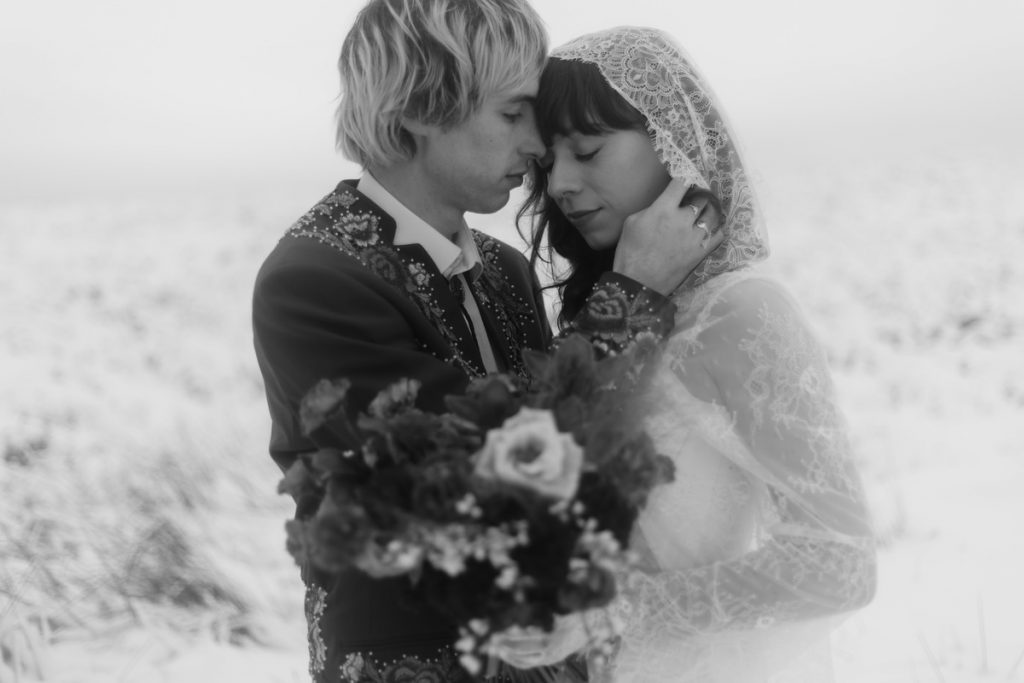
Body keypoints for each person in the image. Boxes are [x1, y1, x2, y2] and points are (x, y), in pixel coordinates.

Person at [251, 4, 721, 682]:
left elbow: (580, 476)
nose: (537, 142)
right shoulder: (313, 280)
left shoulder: (506, 269)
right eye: (511, 113)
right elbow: (492, 475)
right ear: (418, 108)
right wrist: (633, 294)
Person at [502, 26, 878, 682]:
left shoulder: (743, 310)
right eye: (549, 159)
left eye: (586, 150)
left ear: (669, 137)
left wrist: (609, 613)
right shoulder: (615, 307)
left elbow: (842, 562)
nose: (560, 182)